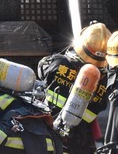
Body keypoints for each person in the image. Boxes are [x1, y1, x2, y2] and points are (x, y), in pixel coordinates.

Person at [37, 21, 111, 153]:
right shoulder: (103, 82)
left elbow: (42, 69)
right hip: (81, 141)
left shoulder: (59, 63)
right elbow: (101, 106)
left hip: (47, 132)